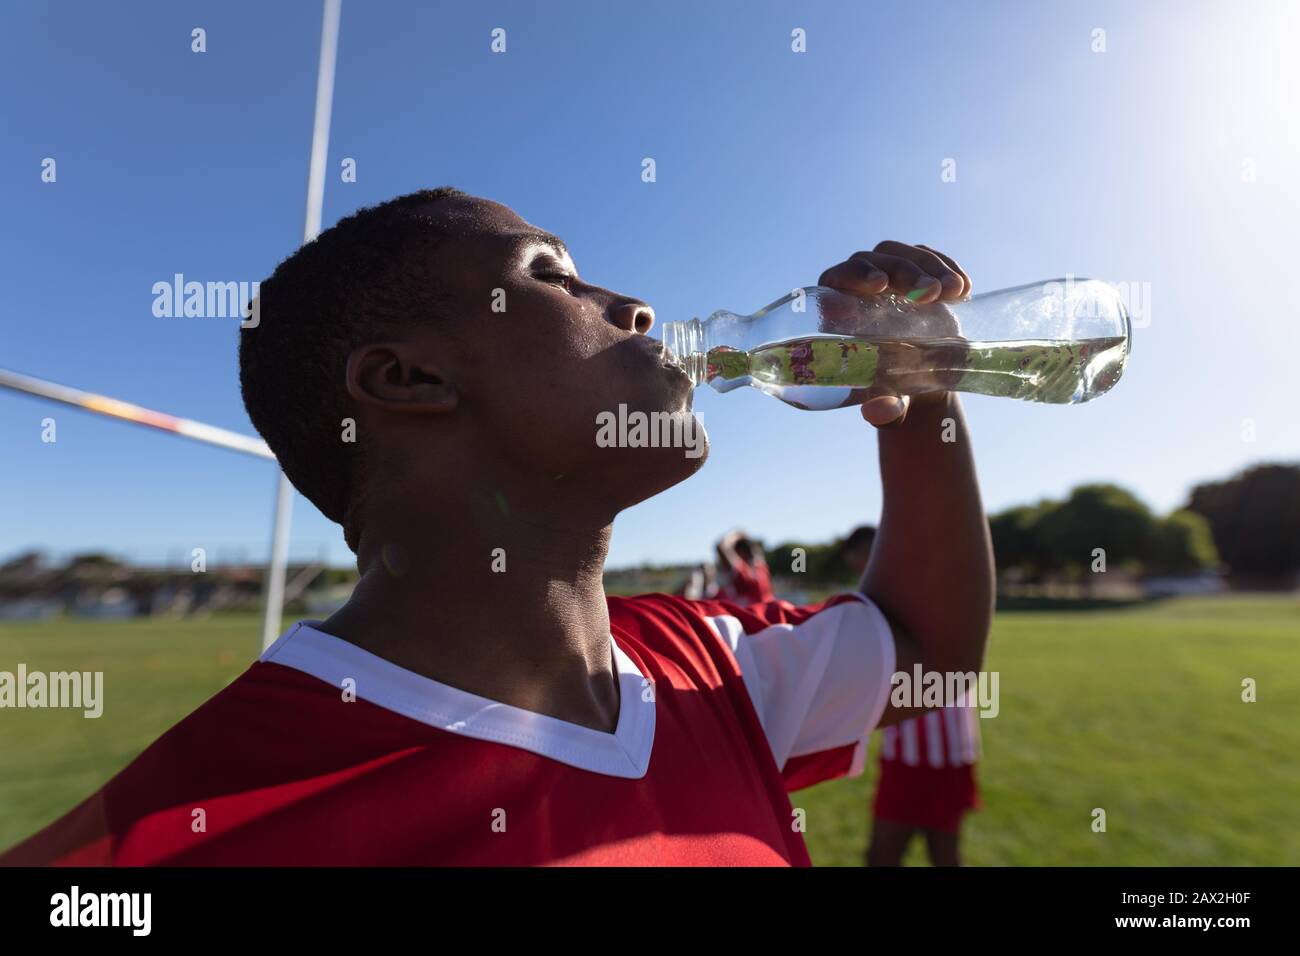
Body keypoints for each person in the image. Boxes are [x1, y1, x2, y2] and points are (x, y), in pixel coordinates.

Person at [1, 189, 993, 866]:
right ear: (408, 378)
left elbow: (929, 650)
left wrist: (926, 391)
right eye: (553, 276)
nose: (638, 308)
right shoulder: (186, 826)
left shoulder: (705, 661)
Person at [841, 525, 983, 867]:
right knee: (902, 853)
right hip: (919, 747)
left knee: (916, 853)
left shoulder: (919, 591)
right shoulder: (879, 599)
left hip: (938, 749)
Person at [715, 529, 774, 605]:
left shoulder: (761, 567)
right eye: (746, 549)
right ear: (738, 553)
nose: (751, 550)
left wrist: (743, 535)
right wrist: (737, 534)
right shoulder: (740, 569)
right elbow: (721, 546)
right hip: (749, 613)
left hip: (768, 612)